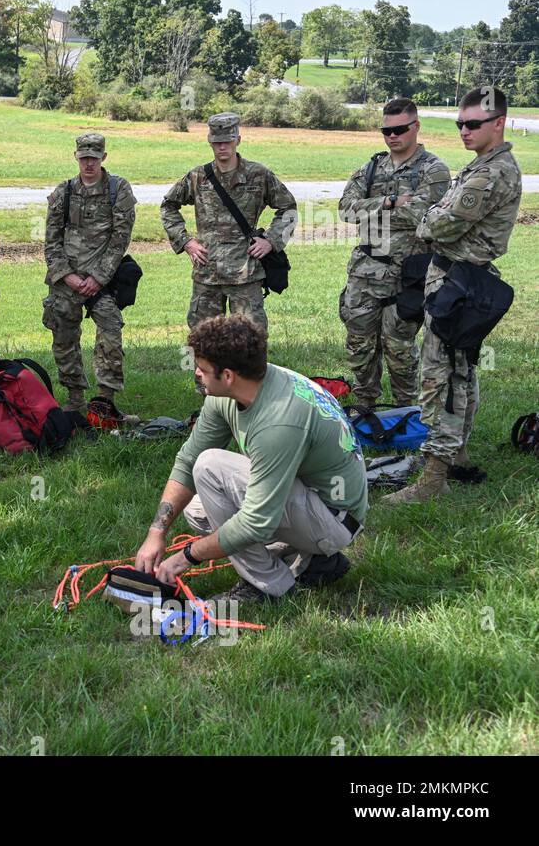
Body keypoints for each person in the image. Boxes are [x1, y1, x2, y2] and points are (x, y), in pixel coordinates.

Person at [133, 315, 368, 603]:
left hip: (334, 519)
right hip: (309, 499)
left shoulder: (279, 423)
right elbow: (187, 460)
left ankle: (267, 585)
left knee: (211, 468)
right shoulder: (237, 388)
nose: (195, 372)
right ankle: (311, 560)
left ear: (228, 375)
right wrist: (156, 532)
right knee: (197, 508)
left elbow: (257, 522)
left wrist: (184, 559)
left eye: (202, 368)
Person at [386, 87, 523, 504]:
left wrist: (428, 216)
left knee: (441, 378)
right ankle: (457, 455)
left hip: (458, 282)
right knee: (461, 371)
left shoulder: (491, 173)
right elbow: (440, 215)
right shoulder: (482, 165)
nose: (463, 130)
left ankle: (433, 477)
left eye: (473, 124)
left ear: (498, 123)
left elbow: (437, 227)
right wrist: (435, 214)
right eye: (459, 123)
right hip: (461, 280)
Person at [338, 98, 450, 409]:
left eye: (399, 129)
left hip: (407, 275)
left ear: (416, 127)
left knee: (399, 349)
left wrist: (372, 210)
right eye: (386, 130)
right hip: (364, 272)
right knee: (359, 346)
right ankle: (365, 407)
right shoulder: (371, 167)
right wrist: (388, 202)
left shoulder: (434, 170)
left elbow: (422, 215)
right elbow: (346, 210)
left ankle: (406, 409)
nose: (392, 136)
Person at [160, 113, 297, 336]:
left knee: (250, 340)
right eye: (217, 142)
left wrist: (271, 241)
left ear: (238, 140)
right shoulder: (198, 177)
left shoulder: (258, 175)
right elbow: (168, 206)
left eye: (227, 141)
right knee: (204, 342)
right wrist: (186, 242)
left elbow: (288, 209)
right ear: (210, 142)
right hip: (207, 274)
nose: (222, 146)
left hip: (246, 274)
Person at [42, 133, 138, 417]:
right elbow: (51, 242)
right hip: (67, 280)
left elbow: (121, 238)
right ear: (76, 157)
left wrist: (98, 277)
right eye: (84, 158)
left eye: (94, 158)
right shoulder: (64, 192)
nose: (89, 164)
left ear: (103, 158)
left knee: (110, 334)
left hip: (103, 281)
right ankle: (74, 400)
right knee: (63, 337)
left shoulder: (117, 189)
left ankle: (104, 402)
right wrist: (67, 276)